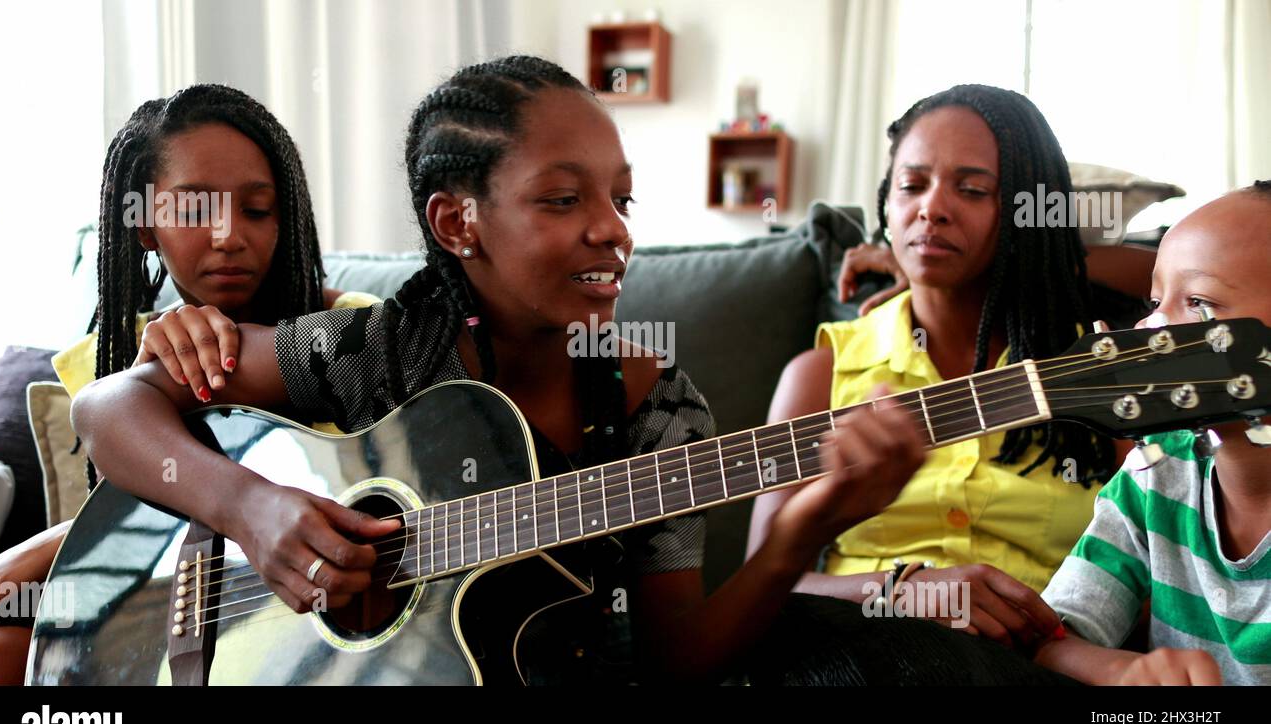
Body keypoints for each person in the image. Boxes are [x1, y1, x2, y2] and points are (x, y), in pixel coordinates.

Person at [66, 56, 926, 684]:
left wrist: (797, 535)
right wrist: (251, 508)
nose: (613, 230)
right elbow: (108, 407)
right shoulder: (375, 352)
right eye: (564, 198)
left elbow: (679, 663)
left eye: (620, 199)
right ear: (456, 222)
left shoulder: (657, 405)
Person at [0, 84, 376, 685]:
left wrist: (32, 553)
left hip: (317, 630)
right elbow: (138, 537)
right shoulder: (115, 356)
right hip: (170, 621)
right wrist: (151, 381)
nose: (228, 236)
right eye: (192, 211)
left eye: (258, 210)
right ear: (144, 228)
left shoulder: (356, 330)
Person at [748, 84, 1124, 649]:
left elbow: (1151, 575)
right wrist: (906, 592)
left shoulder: (1092, 370)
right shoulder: (820, 373)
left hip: (1040, 665)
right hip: (861, 659)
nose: (932, 208)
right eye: (911, 186)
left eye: (972, 189)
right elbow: (762, 585)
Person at [1036, 182, 1271, 685]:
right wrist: (1123, 672)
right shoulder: (1155, 472)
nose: (1151, 328)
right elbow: (1050, 639)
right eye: (1155, 301)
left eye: (1200, 304)